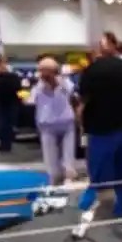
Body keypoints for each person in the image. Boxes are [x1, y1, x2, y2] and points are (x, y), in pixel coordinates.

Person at [57, 32, 122, 242]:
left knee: (97, 181)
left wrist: (82, 124)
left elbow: (82, 102)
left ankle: (82, 226)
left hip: (101, 132)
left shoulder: (93, 71)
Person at [32, 56, 79, 187]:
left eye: (47, 71)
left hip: (66, 123)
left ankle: (69, 176)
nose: (44, 74)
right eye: (42, 71)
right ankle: (52, 179)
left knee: (68, 154)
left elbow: (73, 96)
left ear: (54, 71)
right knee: (50, 157)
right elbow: (33, 100)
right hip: (47, 125)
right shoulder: (38, 87)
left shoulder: (65, 84)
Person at [0, 54, 22, 153]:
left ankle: (6, 143)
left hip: (10, 104)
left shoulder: (13, 76)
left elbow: (17, 89)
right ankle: (4, 142)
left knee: (6, 125)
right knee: (0, 125)